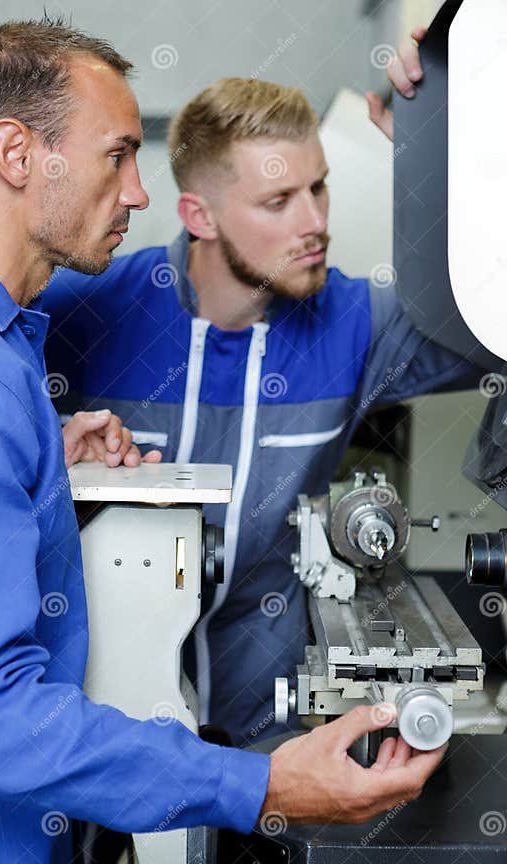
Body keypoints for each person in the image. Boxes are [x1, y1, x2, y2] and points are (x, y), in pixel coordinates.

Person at [0, 18, 446, 864]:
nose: (139, 193)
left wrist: (449, 153)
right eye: (117, 154)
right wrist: (258, 785)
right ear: (15, 154)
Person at [42, 30, 483, 748]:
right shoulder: (90, 310)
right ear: (199, 217)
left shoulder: (352, 324)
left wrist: (454, 159)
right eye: (279, 200)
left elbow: (493, 321)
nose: (315, 223)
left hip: (266, 718)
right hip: (100, 712)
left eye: (319, 188)